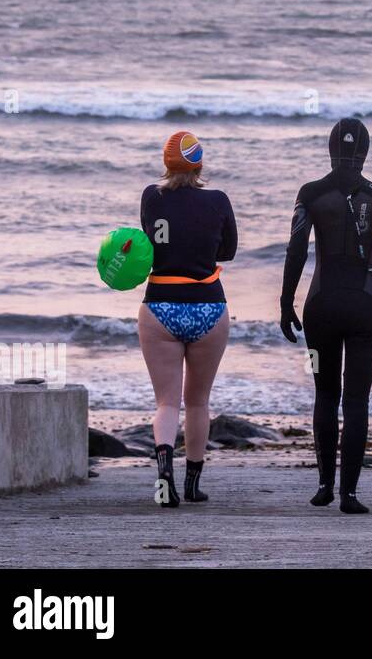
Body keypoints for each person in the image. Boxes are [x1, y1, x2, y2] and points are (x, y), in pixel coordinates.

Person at [280, 118, 372, 514]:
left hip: (320, 309)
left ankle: (325, 485)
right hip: (369, 309)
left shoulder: (310, 193)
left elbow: (296, 251)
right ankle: (350, 495)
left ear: (329, 149)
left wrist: (285, 301)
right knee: (357, 399)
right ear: (366, 152)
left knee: (325, 394)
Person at [139, 131, 237, 508]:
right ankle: (193, 484)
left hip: (160, 307)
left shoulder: (152, 196)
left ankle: (164, 474)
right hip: (209, 308)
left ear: (167, 164)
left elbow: (149, 243)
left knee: (167, 403)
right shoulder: (218, 200)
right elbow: (227, 251)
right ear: (199, 164)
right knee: (197, 402)